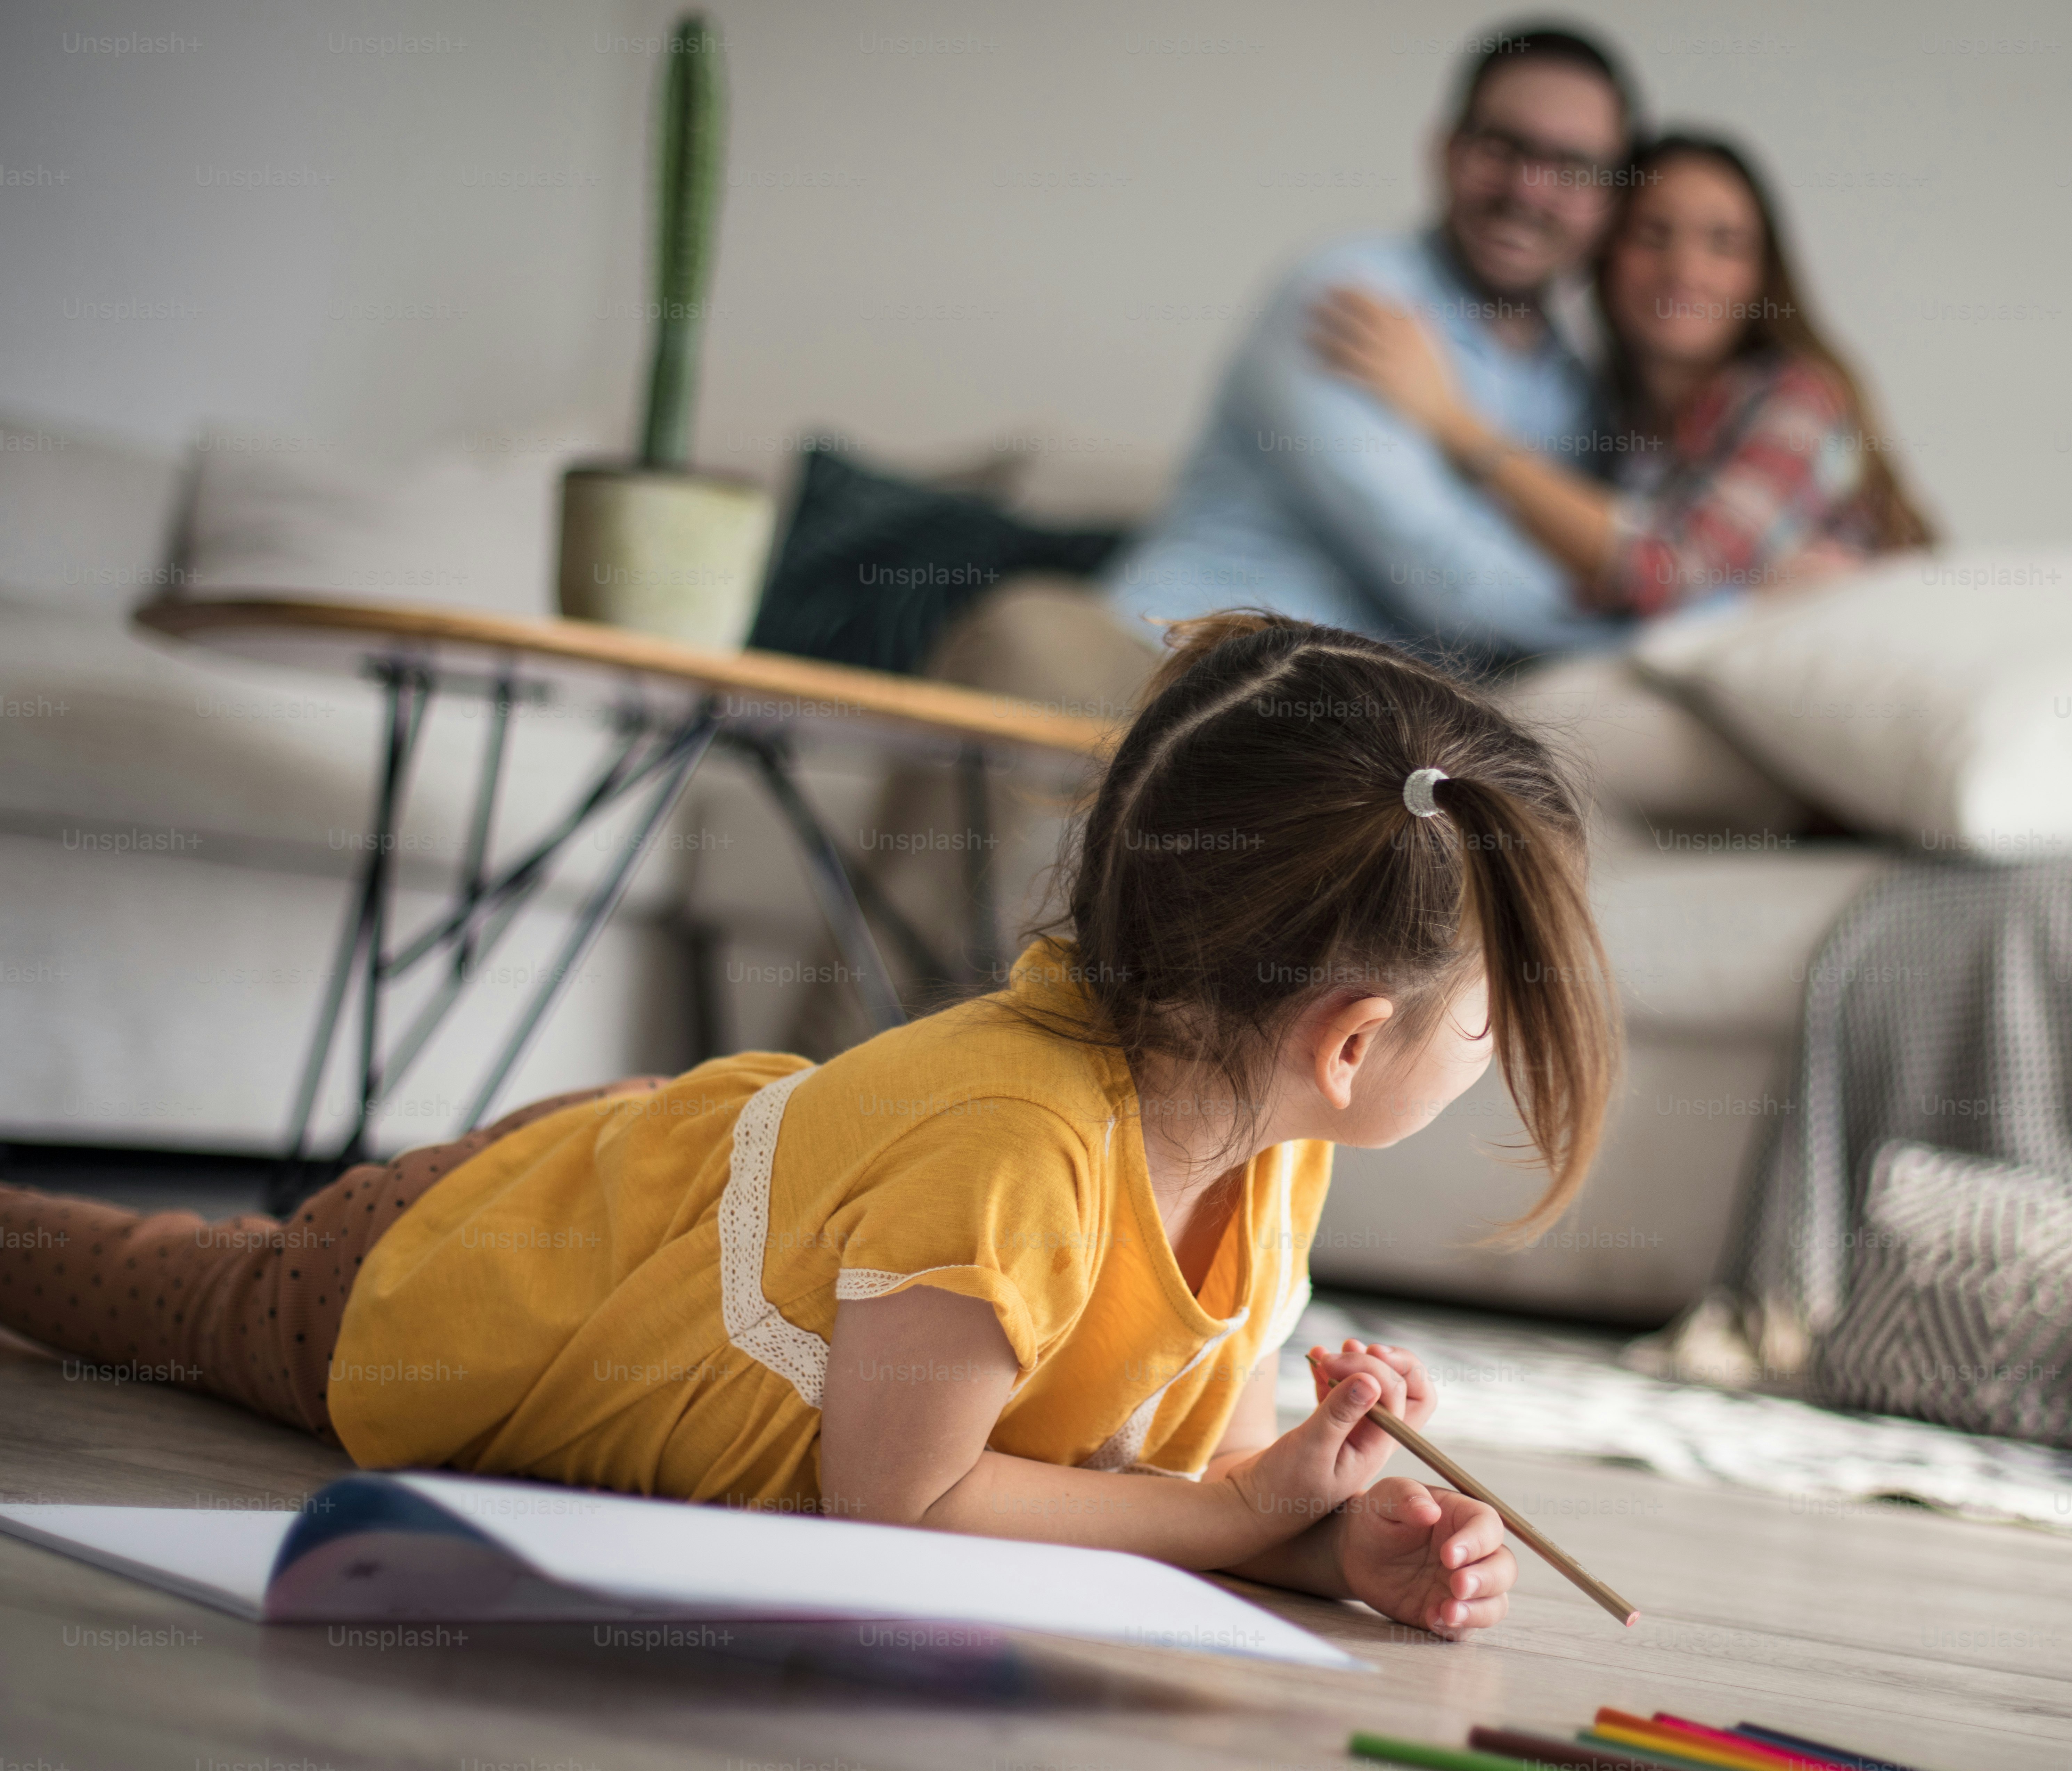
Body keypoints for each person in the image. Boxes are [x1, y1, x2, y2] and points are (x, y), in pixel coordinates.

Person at [0, 613, 1621, 1643]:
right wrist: (1239, 1516)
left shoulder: (1274, 1158)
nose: (1491, 1054)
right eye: (1492, 1021)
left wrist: (1331, 1535)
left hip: (696, 1201)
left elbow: (1168, 1481)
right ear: (1350, 1040)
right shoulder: (1017, 1149)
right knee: (155, 1292)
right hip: (479, 1270)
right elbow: (904, 1504)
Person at [1312, 130, 1940, 834]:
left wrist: (1448, 419)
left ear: (1762, 276)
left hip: (1830, 733)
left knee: (1489, 752)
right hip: (1719, 706)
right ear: (1606, 255)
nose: (1685, 269)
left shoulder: (1796, 398)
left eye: (1724, 244)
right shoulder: (1615, 423)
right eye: (1653, 235)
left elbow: (1659, 570)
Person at [1109, 24, 1645, 667]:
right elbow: (1444, 578)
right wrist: (1647, 614)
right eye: (1503, 147)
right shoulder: (1351, 294)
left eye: (1573, 169)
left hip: (1366, 716)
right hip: (1168, 663)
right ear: (1446, 150)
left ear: (1611, 201)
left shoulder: (1582, 393)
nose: (1528, 190)